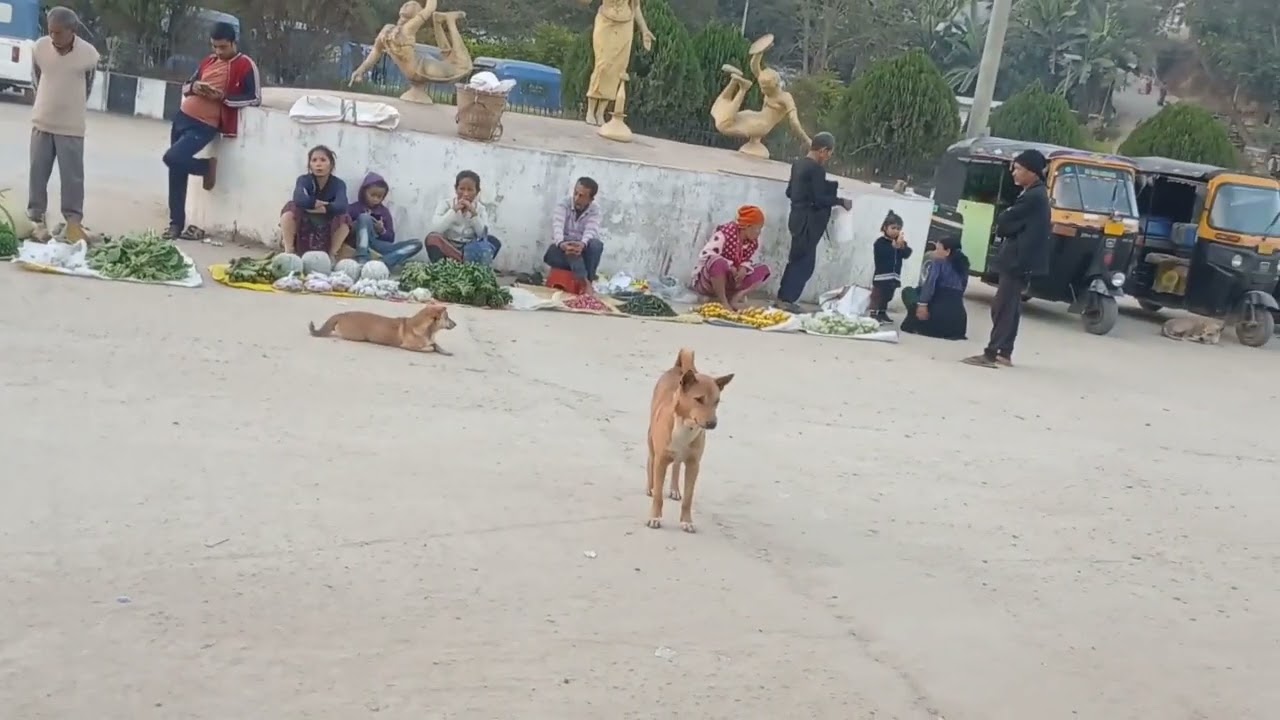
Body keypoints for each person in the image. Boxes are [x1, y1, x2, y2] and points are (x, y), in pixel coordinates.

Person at [162, 21, 261, 241]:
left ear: (234, 43)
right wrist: (194, 87)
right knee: (175, 171)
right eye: (215, 46)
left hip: (205, 123)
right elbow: (187, 85)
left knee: (173, 158)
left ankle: (206, 167)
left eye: (223, 47)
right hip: (182, 118)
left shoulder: (245, 65)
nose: (218, 51)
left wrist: (223, 98)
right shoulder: (208, 60)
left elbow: (254, 98)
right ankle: (175, 223)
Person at [963, 149, 1051, 368]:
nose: (1014, 173)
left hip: (1017, 260)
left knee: (1002, 307)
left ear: (1032, 172)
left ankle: (991, 354)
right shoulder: (1033, 193)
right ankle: (1005, 352)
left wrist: (1006, 223)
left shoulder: (1033, 196)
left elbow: (1004, 221)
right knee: (1011, 307)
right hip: (1019, 259)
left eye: (1018, 169)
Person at [28, 6, 99, 244]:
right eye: (50, 32)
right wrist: (48, 103)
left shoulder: (88, 55)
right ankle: (36, 220)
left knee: (72, 178)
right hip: (42, 121)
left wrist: (69, 106)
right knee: (38, 173)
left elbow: (87, 87)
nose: (53, 37)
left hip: (71, 126)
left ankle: (73, 223)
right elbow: (37, 78)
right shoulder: (39, 48)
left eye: (58, 32)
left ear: (72, 30)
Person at [776, 132, 850, 312]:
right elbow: (819, 199)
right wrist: (840, 201)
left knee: (796, 259)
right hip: (809, 221)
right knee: (804, 264)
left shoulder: (798, 165)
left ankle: (783, 298)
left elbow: (789, 192)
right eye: (829, 154)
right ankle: (787, 299)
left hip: (796, 217)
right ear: (823, 150)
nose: (828, 158)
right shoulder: (816, 170)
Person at [691, 205, 771, 309]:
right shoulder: (724, 234)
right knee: (717, 262)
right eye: (757, 229)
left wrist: (744, 268)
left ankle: (736, 298)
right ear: (748, 227)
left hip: (732, 282)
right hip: (710, 281)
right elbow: (707, 254)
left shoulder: (752, 243)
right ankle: (723, 301)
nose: (759, 233)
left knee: (764, 270)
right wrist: (729, 266)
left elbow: (748, 260)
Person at [280, 146, 350, 257]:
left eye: (323, 160)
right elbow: (299, 198)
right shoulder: (304, 180)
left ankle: (331, 255)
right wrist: (314, 203)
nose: (318, 164)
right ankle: (289, 251)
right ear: (310, 165)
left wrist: (325, 208)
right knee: (290, 208)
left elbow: (342, 205)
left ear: (331, 164)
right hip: (305, 222)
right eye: (314, 160)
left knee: (344, 217)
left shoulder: (338, 184)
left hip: (326, 224)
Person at [901, 235, 969, 340]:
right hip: (958, 324)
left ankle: (914, 323)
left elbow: (929, 286)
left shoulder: (939, 262)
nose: (934, 252)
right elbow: (962, 288)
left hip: (938, 320)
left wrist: (922, 305)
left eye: (938, 249)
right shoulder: (964, 265)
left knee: (909, 292)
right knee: (919, 290)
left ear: (948, 251)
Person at [425, 170, 500, 265]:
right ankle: (462, 262)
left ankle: (464, 261)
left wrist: (474, 214)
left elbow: (482, 234)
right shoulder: (446, 204)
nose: (465, 194)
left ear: (477, 192)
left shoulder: (480, 209)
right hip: (448, 248)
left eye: (470, 190)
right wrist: (453, 211)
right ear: (456, 189)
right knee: (432, 238)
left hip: (470, 249)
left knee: (493, 241)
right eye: (462, 189)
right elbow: (436, 229)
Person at [348, 173, 422, 268]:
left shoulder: (384, 212)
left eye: (379, 197)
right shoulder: (353, 208)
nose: (375, 199)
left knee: (416, 244)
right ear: (363, 192)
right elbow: (343, 229)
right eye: (372, 195)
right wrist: (357, 226)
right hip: (359, 245)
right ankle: (362, 260)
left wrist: (381, 230)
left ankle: (383, 262)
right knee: (364, 217)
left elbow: (391, 238)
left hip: (377, 246)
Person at [545, 177, 605, 287]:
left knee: (596, 245)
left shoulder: (595, 210)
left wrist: (582, 244)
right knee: (569, 253)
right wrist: (562, 244)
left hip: (581, 251)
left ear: (591, 199)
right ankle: (585, 284)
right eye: (575, 193)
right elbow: (557, 227)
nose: (576, 198)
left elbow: (591, 231)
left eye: (581, 196)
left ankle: (586, 281)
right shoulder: (564, 204)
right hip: (560, 250)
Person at [869, 210, 913, 323]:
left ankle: (883, 313)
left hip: (894, 276)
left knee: (888, 296)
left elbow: (907, 254)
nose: (895, 231)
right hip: (881, 276)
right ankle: (874, 314)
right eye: (893, 228)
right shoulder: (880, 242)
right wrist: (893, 248)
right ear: (885, 228)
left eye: (898, 229)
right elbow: (881, 255)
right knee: (878, 295)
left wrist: (901, 247)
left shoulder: (901, 243)